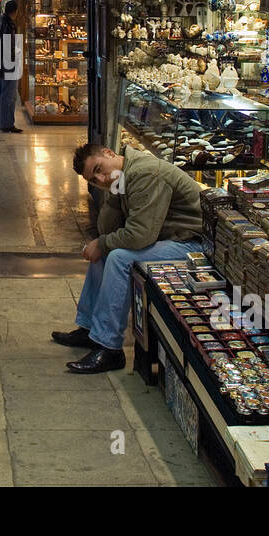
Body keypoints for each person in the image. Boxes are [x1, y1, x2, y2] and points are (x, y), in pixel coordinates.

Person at [54, 143, 205, 374]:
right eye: (93, 179)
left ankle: (110, 347)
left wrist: (103, 243)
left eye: (99, 169)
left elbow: (140, 236)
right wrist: (112, 193)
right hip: (168, 237)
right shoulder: (122, 176)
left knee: (118, 257)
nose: (101, 178)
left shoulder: (145, 173)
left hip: (191, 243)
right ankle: (90, 327)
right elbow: (107, 229)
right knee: (106, 251)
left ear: (109, 153)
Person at [0, 0, 22, 133]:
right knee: (9, 94)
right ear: (15, 11)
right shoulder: (8, 24)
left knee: (1, 92)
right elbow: (8, 46)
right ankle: (7, 124)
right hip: (7, 63)